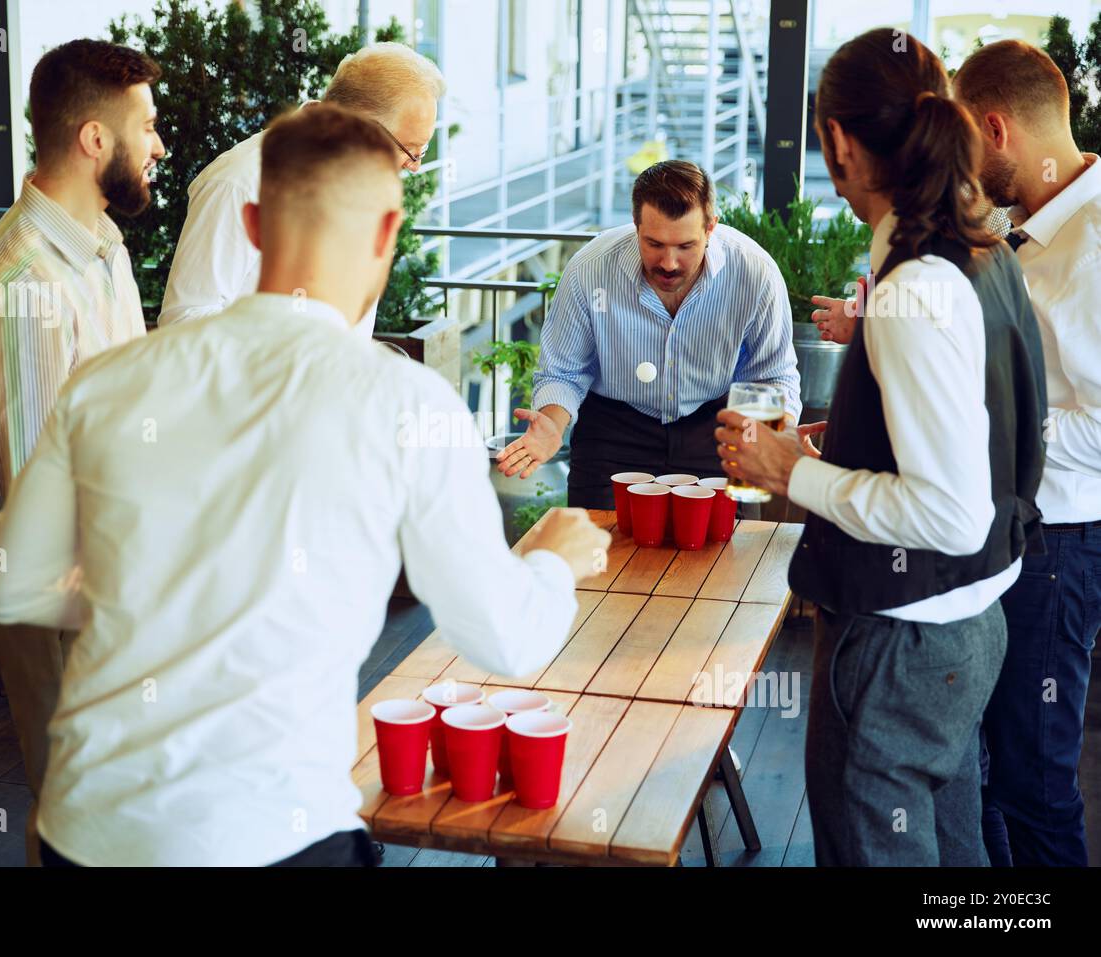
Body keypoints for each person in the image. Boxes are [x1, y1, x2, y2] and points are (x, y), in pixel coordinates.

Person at [0, 103, 610, 867]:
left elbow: (11, 588)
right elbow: (504, 638)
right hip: (270, 835)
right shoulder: (405, 403)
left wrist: (150, 583)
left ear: (251, 224)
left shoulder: (106, 382)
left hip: (83, 831)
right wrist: (552, 557)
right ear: (385, 236)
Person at [718, 28, 1047, 866]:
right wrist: (852, 441)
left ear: (837, 142)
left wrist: (796, 469)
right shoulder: (983, 246)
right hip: (968, 625)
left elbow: (946, 509)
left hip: (903, 644)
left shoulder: (916, 284)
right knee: (957, 857)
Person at [0, 38, 166, 865]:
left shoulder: (101, 249)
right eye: (145, 124)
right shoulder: (22, 288)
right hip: (68, 598)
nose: (159, 143)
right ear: (94, 140)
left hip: (120, 584)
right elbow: (31, 490)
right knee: (80, 827)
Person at [953, 40, 1101, 868]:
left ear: (994, 128)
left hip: (1062, 548)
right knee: (997, 774)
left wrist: (998, 427)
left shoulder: (1095, 245)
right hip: (1020, 533)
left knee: (1034, 781)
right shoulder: (1034, 232)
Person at [497, 160, 801, 505]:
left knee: (728, 550)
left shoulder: (754, 272)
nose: (669, 263)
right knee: (598, 546)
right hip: (613, 431)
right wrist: (553, 425)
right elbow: (564, 372)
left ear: (711, 228)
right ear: (635, 226)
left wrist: (778, 438)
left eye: (686, 246)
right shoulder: (590, 269)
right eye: (654, 243)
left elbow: (773, 376)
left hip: (716, 428)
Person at [157, 41, 444, 333]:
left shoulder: (361, 190)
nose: (415, 166)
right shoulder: (239, 182)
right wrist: (297, 357)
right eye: (411, 151)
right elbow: (185, 321)